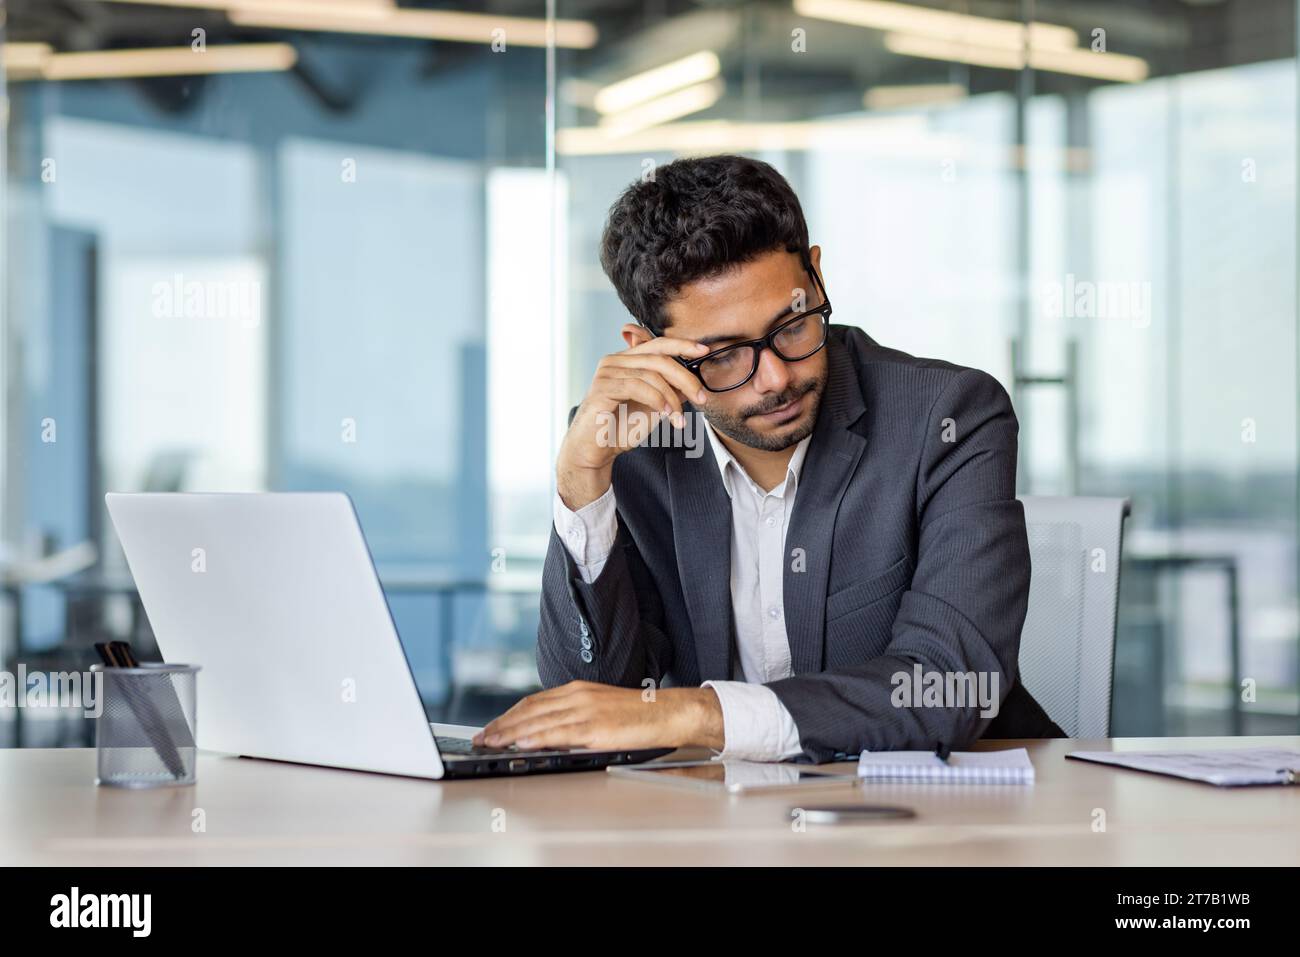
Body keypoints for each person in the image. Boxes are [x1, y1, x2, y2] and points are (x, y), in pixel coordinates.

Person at [474, 154, 1062, 763]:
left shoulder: (949, 419)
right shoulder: (630, 443)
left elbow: (949, 683)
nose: (776, 378)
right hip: (724, 825)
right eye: (724, 354)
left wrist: (697, 713)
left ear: (817, 276)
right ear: (649, 352)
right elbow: (591, 705)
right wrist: (581, 486)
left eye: (792, 324)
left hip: (952, 821)